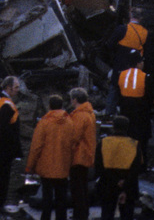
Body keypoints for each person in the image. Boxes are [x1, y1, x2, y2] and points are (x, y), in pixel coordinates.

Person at [27, 95, 73, 220]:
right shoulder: (70, 122)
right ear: (62, 106)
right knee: (61, 198)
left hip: (46, 167)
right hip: (63, 167)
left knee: (47, 198)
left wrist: (30, 166)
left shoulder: (44, 122)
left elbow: (36, 146)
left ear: (49, 107)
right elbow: (73, 144)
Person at [96, 116, 141, 220]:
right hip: (129, 185)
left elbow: (99, 166)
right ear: (127, 127)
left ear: (113, 127)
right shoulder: (134, 144)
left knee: (107, 213)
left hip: (107, 183)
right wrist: (125, 183)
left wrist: (115, 180)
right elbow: (137, 168)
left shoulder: (104, 142)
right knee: (127, 214)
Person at [0, 76, 23, 214]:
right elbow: (7, 131)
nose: (18, 90)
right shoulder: (6, 106)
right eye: (16, 87)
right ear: (8, 88)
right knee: (2, 177)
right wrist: (16, 150)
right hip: (3, 149)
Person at [104, 10, 148, 113]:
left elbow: (109, 45)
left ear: (130, 15)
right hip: (135, 68)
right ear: (141, 19)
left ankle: (108, 116)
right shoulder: (145, 33)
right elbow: (146, 52)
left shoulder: (122, 29)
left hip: (120, 65)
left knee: (114, 90)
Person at [67, 88, 96, 220]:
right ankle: (83, 213)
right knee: (83, 186)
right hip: (86, 154)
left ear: (75, 100)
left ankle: (79, 215)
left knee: (77, 187)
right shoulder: (89, 113)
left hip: (78, 155)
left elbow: (74, 136)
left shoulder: (79, 115)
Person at [116, 59, 151, 158]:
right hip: (140, 111)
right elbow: (149, 96)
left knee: (125, 135)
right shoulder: (145, 76)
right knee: (140, 137)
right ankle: (140, 162)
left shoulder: (121, 74)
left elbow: (118, 92)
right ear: (138, 63)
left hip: (125, 110)